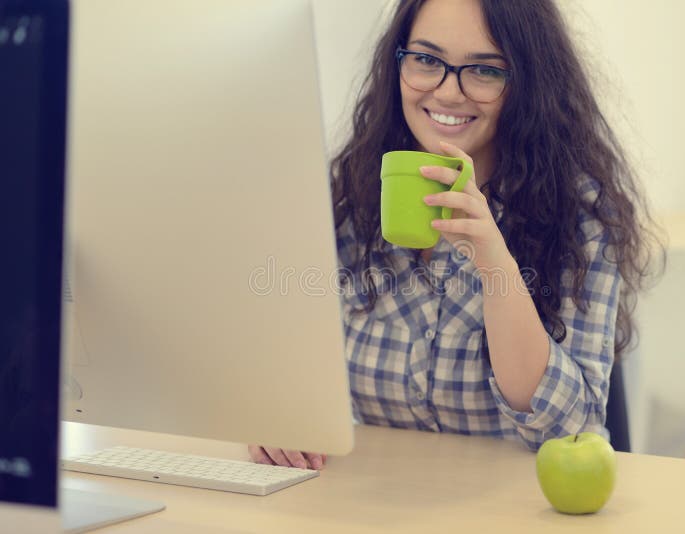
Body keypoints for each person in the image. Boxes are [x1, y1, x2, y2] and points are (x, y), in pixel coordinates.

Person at [249, 0, 661, 470]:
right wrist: (279, 415)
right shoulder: (352, 195)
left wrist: (493, 261)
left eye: (484, 70)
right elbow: (288, 362)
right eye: (426, 60)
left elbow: (568, 432)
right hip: (375, 501)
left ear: (527, 83)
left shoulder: (582, 215)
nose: (447, 92)